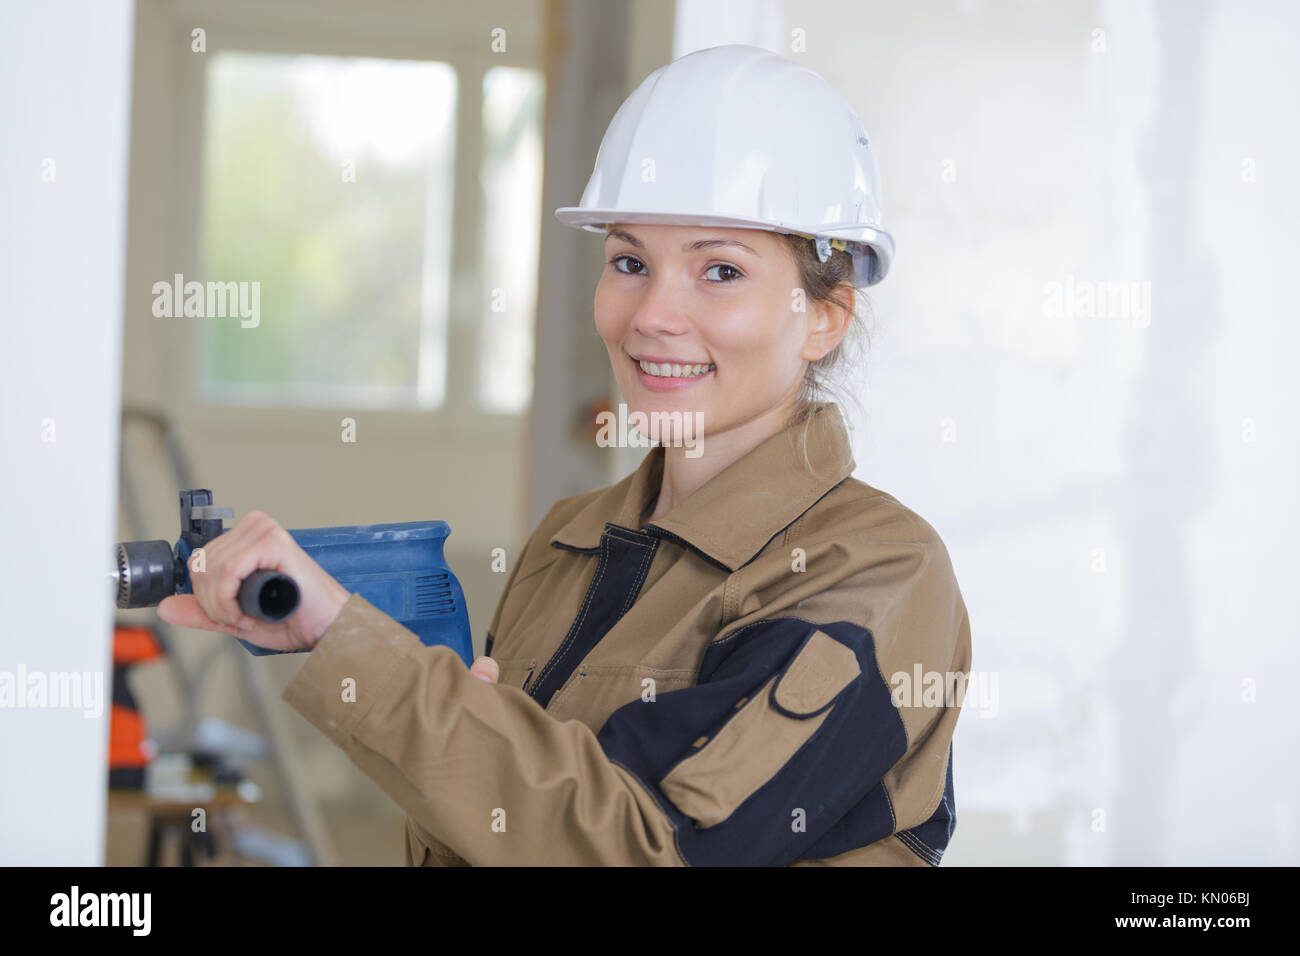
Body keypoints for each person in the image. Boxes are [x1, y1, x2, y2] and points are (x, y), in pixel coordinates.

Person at [158, 43, 972, 866]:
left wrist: (356, 647)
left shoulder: (876, 570)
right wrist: (355, 654)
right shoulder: (569, 537)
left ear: (827, 314)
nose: (652, 314)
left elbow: (650, 841)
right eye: (629, 262)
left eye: (720, 270)